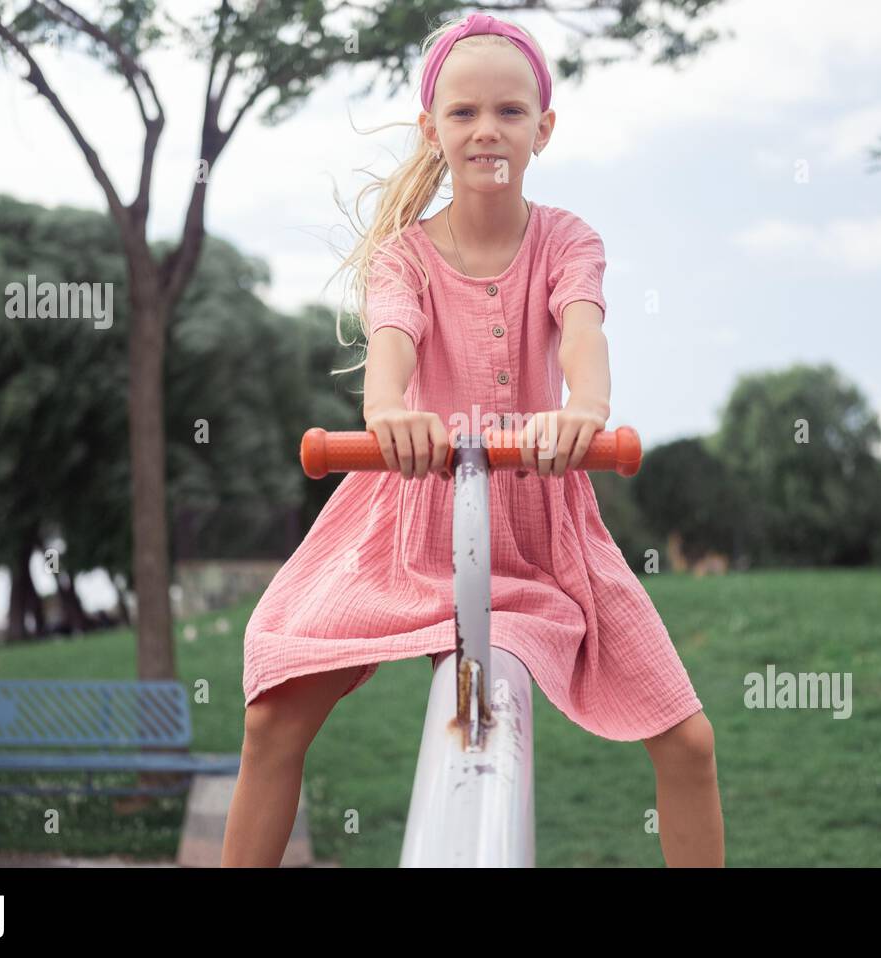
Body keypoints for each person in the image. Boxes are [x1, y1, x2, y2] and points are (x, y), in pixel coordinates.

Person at [221, 11, 723, 868]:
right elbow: (392, 347)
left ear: (543, 129)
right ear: (433, 130)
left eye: (509, 112)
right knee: (271, 712)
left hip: (538, 531)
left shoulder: (567, 240)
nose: (486, 129)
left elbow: (582, 331)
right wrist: (388, 415)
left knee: (690, 743)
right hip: (406, 525)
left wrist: (586, 408)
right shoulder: (405, 259)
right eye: (462, 114)